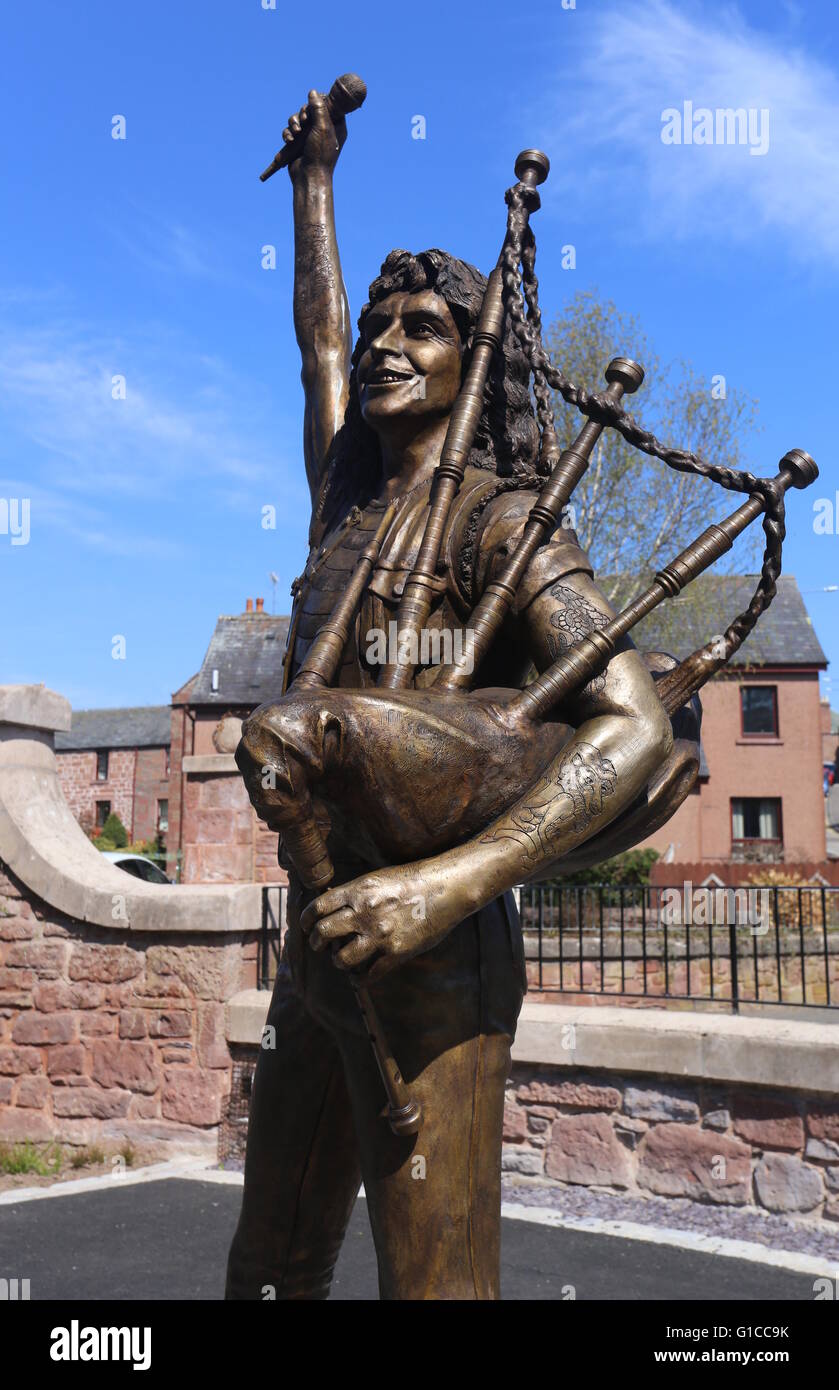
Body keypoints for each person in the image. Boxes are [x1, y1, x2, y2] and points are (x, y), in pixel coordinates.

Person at [225, 90, 676, 1300]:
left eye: (420, 326)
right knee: (266, 1268)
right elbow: (317, 342)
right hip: (315, 953)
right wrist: (316, 179)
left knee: (434, 1290)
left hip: (430, 955)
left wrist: (441, 886)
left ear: (472, 362)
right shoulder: (343, 500)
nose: (382, 341)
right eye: (383, 320)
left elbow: (634, 726)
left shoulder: (504, 523)